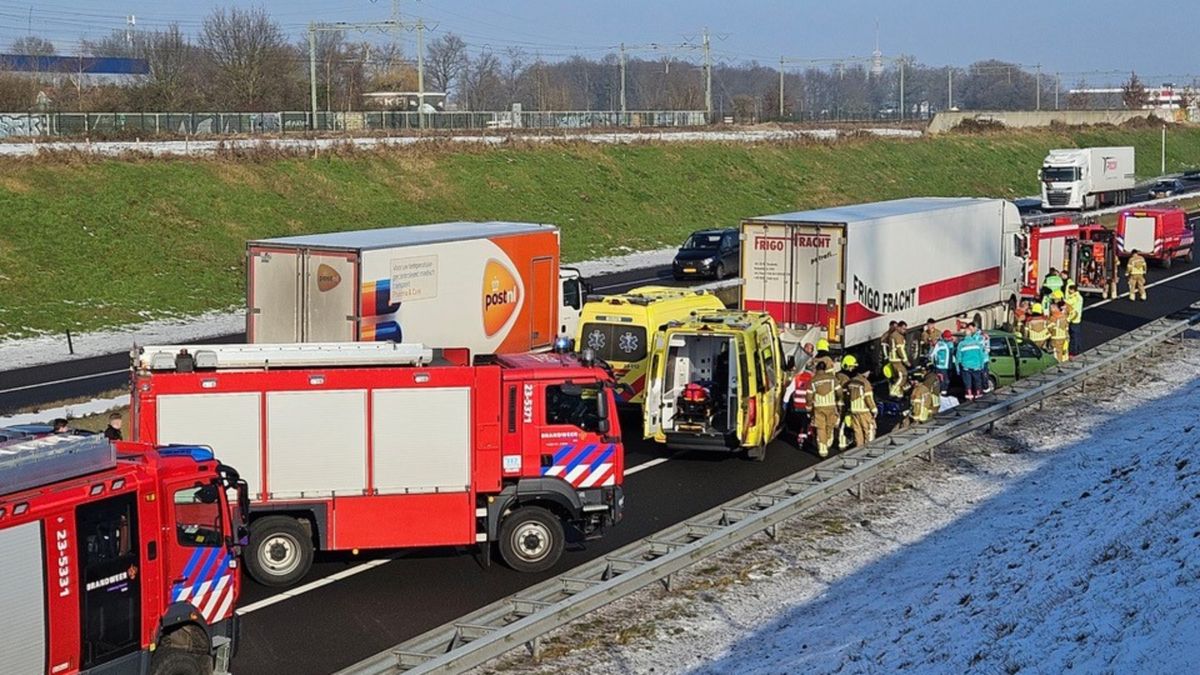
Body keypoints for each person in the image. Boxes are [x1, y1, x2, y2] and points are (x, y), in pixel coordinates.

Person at [807, 361, 840, 458]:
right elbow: (839, 391)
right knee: (830, 424)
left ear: (816, 369)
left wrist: (809, 406)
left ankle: (822, 448)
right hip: (831, 405)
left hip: (818, 406)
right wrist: (839, 400)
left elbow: (809, 396)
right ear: (825, 369)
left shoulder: (813, 380)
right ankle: (828, 440)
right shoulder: (832, 379)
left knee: (820, 427)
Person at [955, 323, 989, 401]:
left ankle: (969, 396)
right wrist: (981, 366)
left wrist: (958, 369)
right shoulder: (977, 343)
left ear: (964, 335)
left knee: (967, 383)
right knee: (977, 382)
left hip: (966, 367)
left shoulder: (961, 344)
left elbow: (958, 358)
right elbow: (981, 355)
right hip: (976, 366)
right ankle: (978, 395)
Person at [845, 367, 877, 447]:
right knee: (868, 430)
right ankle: (870, 448)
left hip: (854, 410)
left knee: (857, 431)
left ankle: (859, 448)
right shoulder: (865, 382)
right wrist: (874, 410)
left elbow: (847, 396)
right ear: (865, 372)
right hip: (864, 410)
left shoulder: (851, 381)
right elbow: (868, 398)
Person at [885, 320, 910, 398]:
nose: (904, 331)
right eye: (903, 329)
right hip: (896, 359)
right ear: (898, 327)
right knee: (903, 375)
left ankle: (899, 392)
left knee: (897, 376)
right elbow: (900, 349)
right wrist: (905, 360)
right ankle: (894, 390)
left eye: (905, 329)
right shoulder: (898, 336)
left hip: (892, 358)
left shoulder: (892, 335)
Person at [928, 330, 955, 395]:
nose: (949, 338)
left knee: (945, 379)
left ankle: (944, 390)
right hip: (942, 365)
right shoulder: (941, 344)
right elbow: (932, 354)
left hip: (946, 365)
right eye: (948, 337)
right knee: (943, 379)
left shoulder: (948, 344)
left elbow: (951, 354)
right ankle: (943, 391)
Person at [1064, 282, 1083, 355]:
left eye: (1069, 290)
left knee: (1073, 336)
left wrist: (1068, 319)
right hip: (1077, 319)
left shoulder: (1074, 298)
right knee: (1077, 336)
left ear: (1073, 290)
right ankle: (1078, 349)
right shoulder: (1079, 297)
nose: (1069, 291)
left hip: (1073, 319)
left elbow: (1068, 302)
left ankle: (1073, 351)